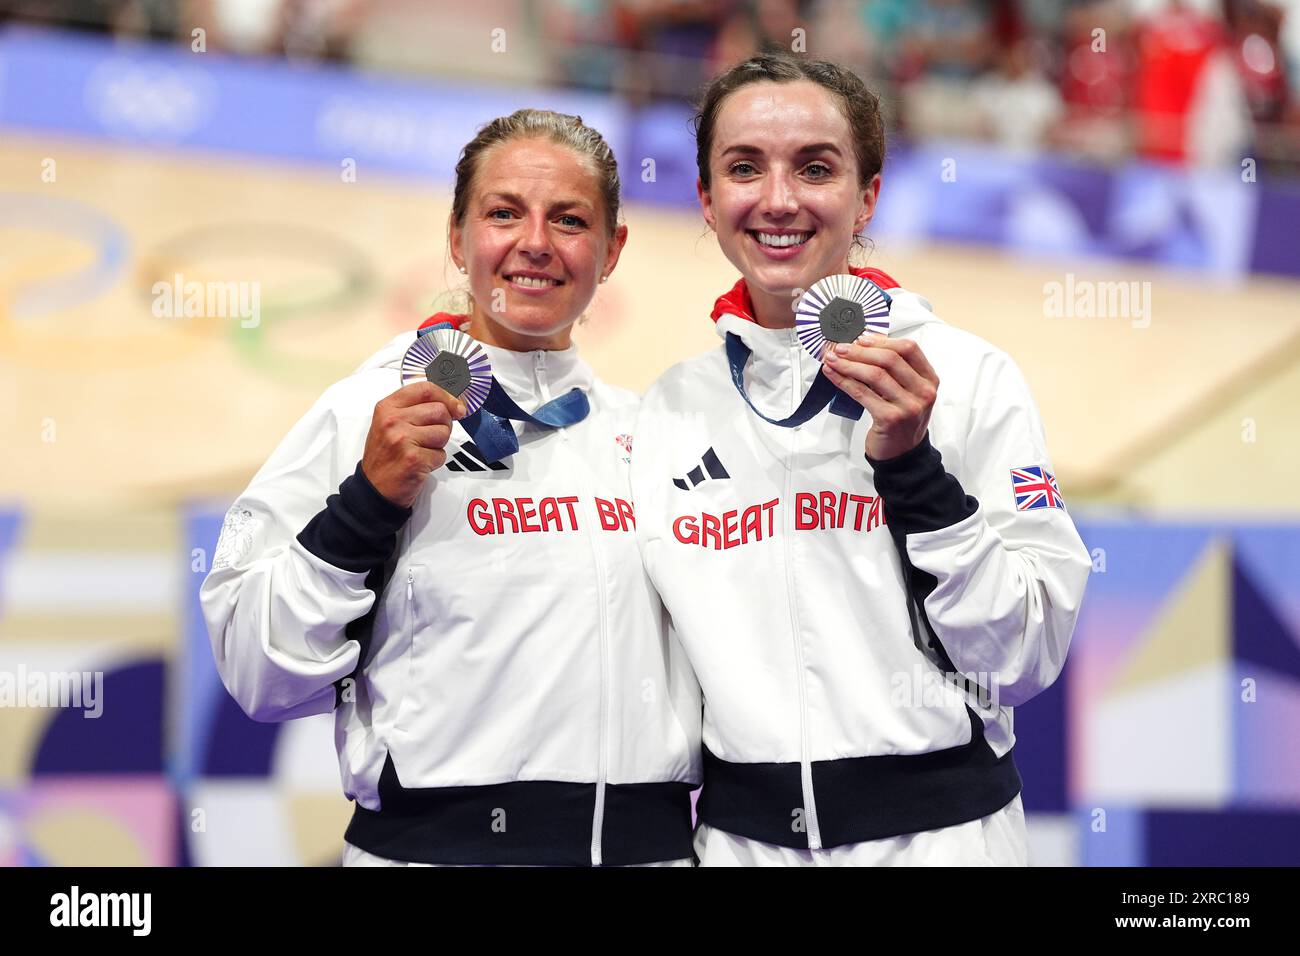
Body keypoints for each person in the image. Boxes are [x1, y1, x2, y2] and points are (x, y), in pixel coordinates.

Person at [200, 109, 701, 867]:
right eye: (504, 213)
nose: (535, 243)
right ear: (457, 236)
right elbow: (255, 668)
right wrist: (365, 503)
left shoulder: (651, 436)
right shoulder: (363, 414)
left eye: (568, 219)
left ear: (613, 249)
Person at [630, 53, 1091, 866]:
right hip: (742, 847)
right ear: (705, 198)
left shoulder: (972, 378)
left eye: (815, 168)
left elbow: (1025, 654)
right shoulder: (671, 409)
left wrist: (916, 474)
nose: (778, 199)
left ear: (866, 194)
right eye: (744, 168)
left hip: (943, 843)